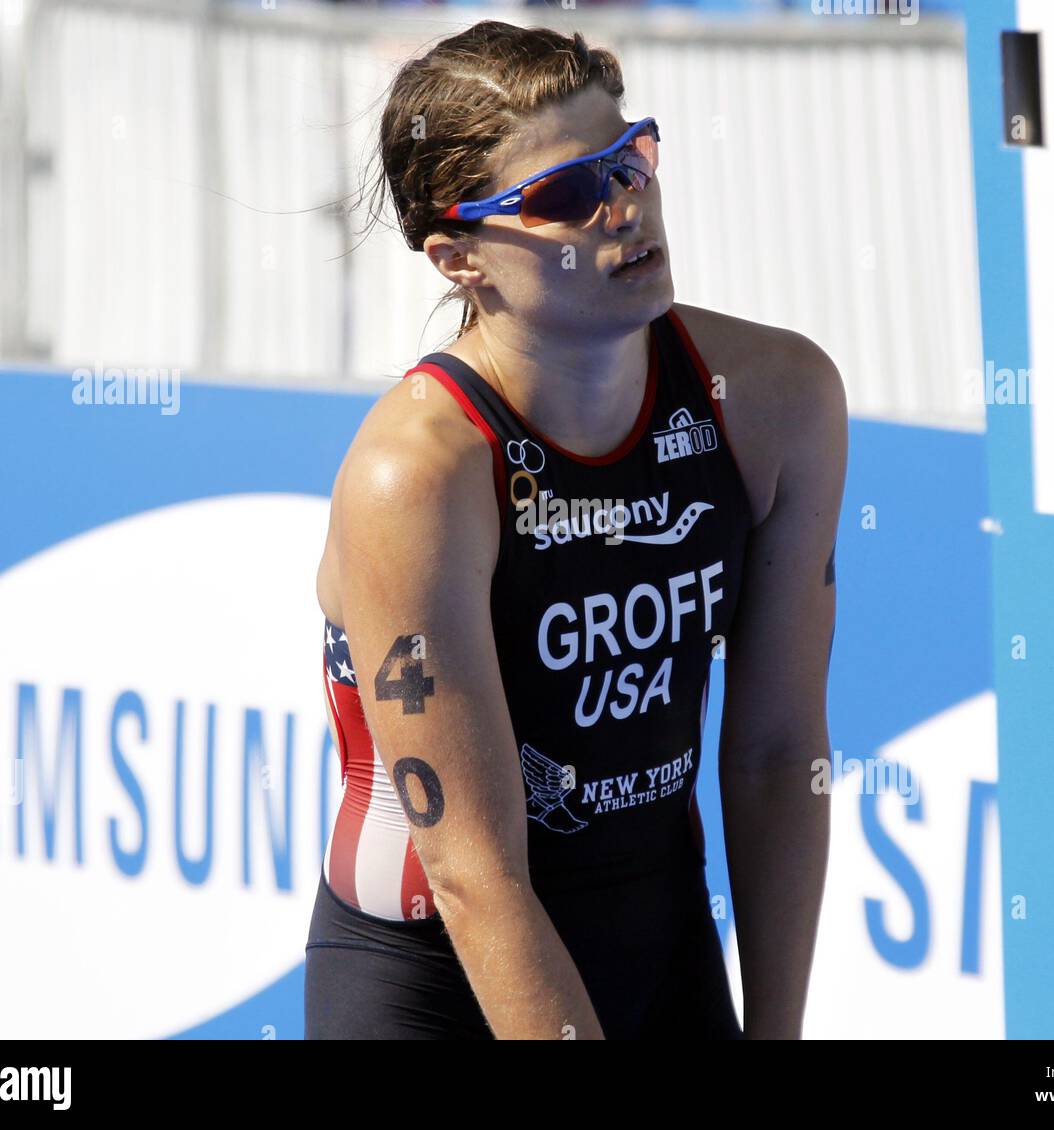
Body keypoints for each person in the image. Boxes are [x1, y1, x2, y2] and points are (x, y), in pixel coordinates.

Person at [305, 20, 847, 1040]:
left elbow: (778, 754)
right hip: (435, 970)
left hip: (656, 928)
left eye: (629, 157)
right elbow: (474, 872)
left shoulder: (776, 400)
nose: (623, 203)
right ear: (459, 257)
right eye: (565, 194)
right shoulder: (416, 474)